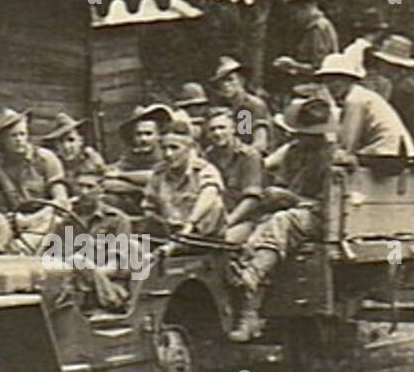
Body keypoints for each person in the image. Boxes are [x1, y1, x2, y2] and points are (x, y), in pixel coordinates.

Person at [228, 97, 337, 342]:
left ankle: (251, 275)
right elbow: (277, 177)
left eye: (308, 134)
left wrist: (290, 198)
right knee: (242, 231)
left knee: (282, 222)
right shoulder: (293, 152)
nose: (301, 138)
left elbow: (329, 205)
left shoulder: (330, 158)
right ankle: (243, 306)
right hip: (285, 214)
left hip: (317, 217)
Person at [312, 53, 414, 164]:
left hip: (389, 155)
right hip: (391, 152)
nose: (333, 86)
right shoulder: (356, 96)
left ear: (350, 80)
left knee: (340, 160)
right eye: (328, 81)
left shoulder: (356, 99)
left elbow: (348, 143)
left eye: (339, 80)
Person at [141, 117, 226, 243]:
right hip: (169, 237)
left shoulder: (203, 170)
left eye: (174, 148)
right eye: (164, 148)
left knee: (216, 205)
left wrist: (190, 224)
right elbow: (149, 207)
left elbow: (210, 193)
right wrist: (162, 222)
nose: (168, 154)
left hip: (203, 240)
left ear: (189, 148)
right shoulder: (159, 173)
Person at [364, 35, 414, 163]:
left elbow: (402, 125)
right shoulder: (408, 86)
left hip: (408, 154)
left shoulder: (403, 90)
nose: (379, 68)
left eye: (383, 63)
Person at [203, 109, 265, 243]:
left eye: (222, 128)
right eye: (212, 129)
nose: (217, 133)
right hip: (214, 218)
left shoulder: (249, 156)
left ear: (233, 129)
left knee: (222, 242)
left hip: (245, 219)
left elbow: (252, 198)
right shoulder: (208, 156)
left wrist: (229, 221)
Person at [104, 103, 170, 215]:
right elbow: (109, 179)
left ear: (159, 135)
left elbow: (155, 177)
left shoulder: (167, 152)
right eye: (139, 134)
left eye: (148, 134)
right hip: (136, 202)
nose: (143, 139)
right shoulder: (132, 154)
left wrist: (121, 177)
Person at [211, 56, 275, 153]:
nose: (225, 85)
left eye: (230, 80)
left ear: (242, 81)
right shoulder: (227, 106)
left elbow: (260, 143)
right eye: (221, 81)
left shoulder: (251, 106)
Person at [274, 0, 339, 74]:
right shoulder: (311, 27)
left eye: (295, 12)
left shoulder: (317, 28)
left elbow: (320, 68)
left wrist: (293, 65)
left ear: (306, 7)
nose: (294, 17)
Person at [38, 113, 106, 180]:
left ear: (80, 141)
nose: (66, 146)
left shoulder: (91, 160)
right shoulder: (53, 163)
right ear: (56, 144)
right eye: (61, 141)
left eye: (71, 140)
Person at [71, 168, 134, 237]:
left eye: (90, 187)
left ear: (101, 189)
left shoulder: (117, 219)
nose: (84, 192)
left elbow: (121, 246)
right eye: (80, 186)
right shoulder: (66, 215)